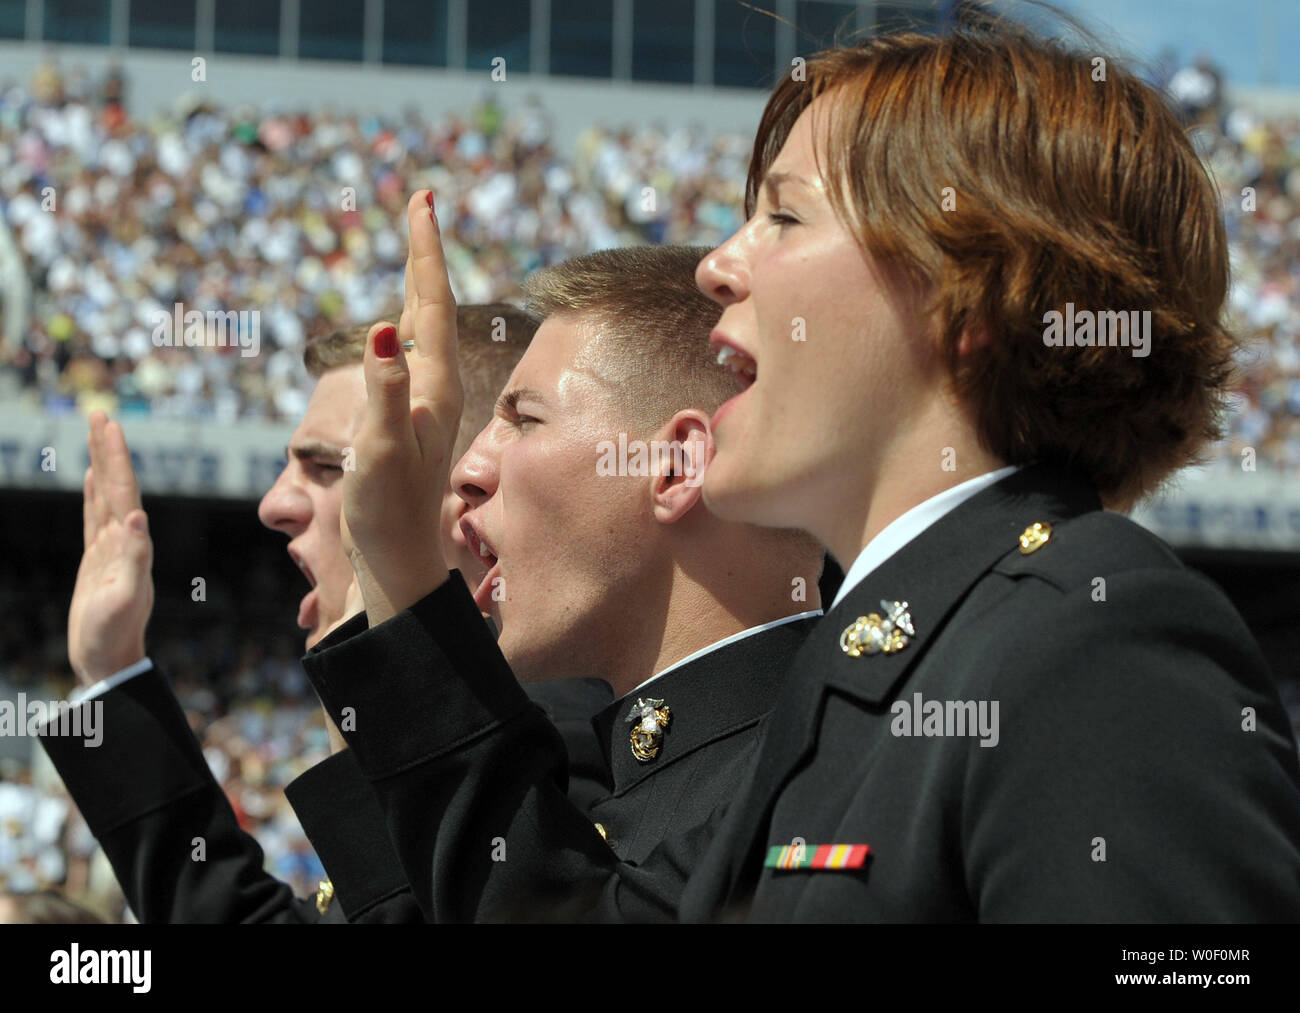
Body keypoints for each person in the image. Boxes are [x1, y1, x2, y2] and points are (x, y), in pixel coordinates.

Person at [677, 20, 1300, 920]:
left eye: (784, 215)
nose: (716, 266)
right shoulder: (920, 652)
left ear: (971, 293)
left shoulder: (1092, 646)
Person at [305, 223, 825, 920]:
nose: (469, 469)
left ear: (674, 467)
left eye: (524, 419)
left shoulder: (817, 774)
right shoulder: (691, 770)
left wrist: (403, 582)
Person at [38, 305, 612, 922]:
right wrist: (111, 673)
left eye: (326, 467)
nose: (273, 504)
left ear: (451, 498)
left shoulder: (554, 748)